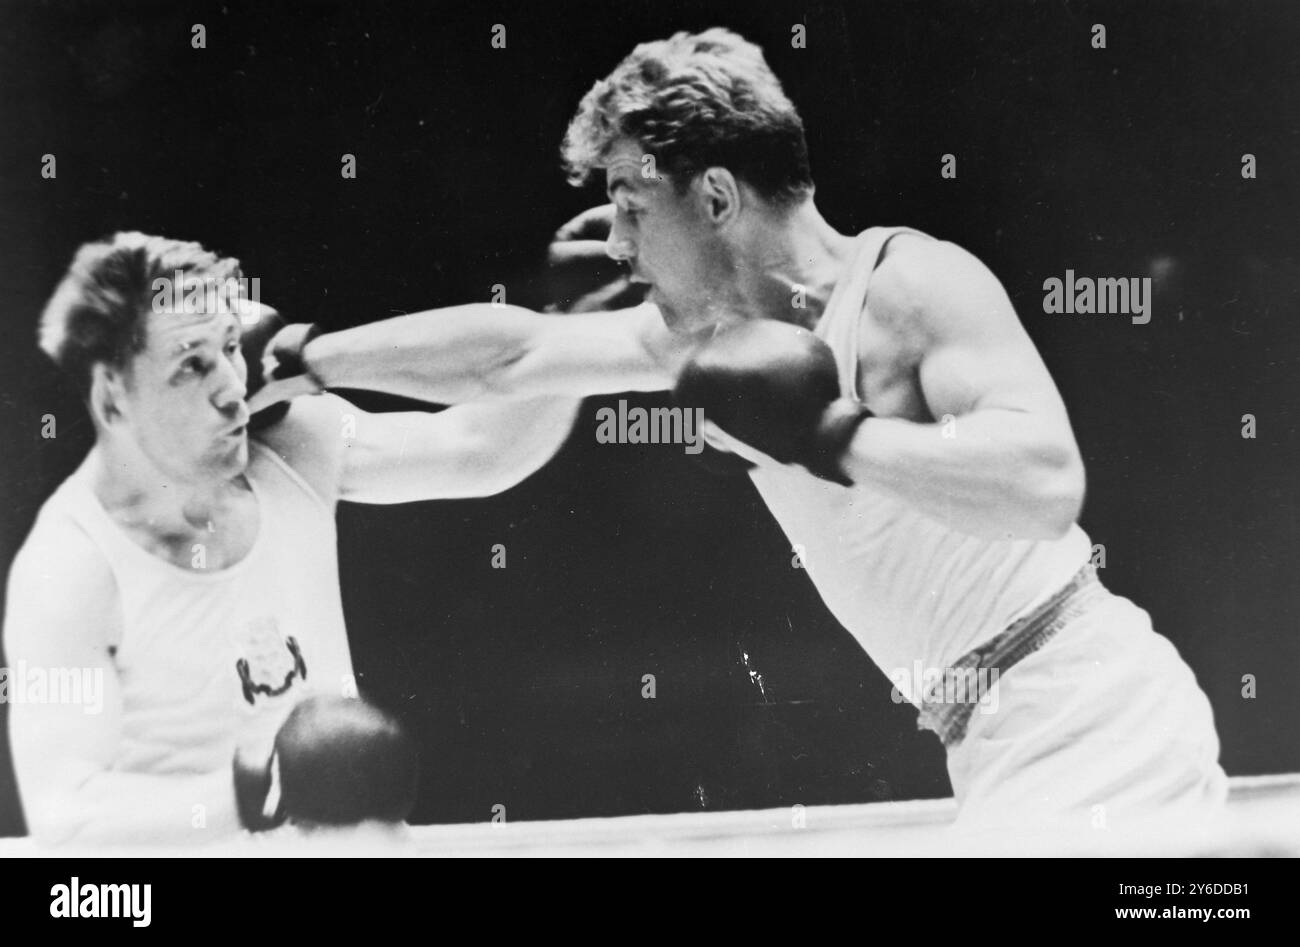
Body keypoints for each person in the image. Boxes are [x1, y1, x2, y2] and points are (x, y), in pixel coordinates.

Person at [252, 28, 1227, 830]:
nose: (620, 243)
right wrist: (304, 351)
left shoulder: (906, 285)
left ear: (715, 197)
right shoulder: (701, 333)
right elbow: (511, 356)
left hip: (1088, 710)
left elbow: (1045, 482)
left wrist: (834, 434)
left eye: (631, 206)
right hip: (996, 734)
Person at [3, 231, 579, 846]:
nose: (232, 388)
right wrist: (259, 786)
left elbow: (481, 450)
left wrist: (570, 332)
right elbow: (64, 820)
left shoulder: (291, 446)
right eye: (192, 364)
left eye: (231, 346)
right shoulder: (71, 565)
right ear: (112, 397)